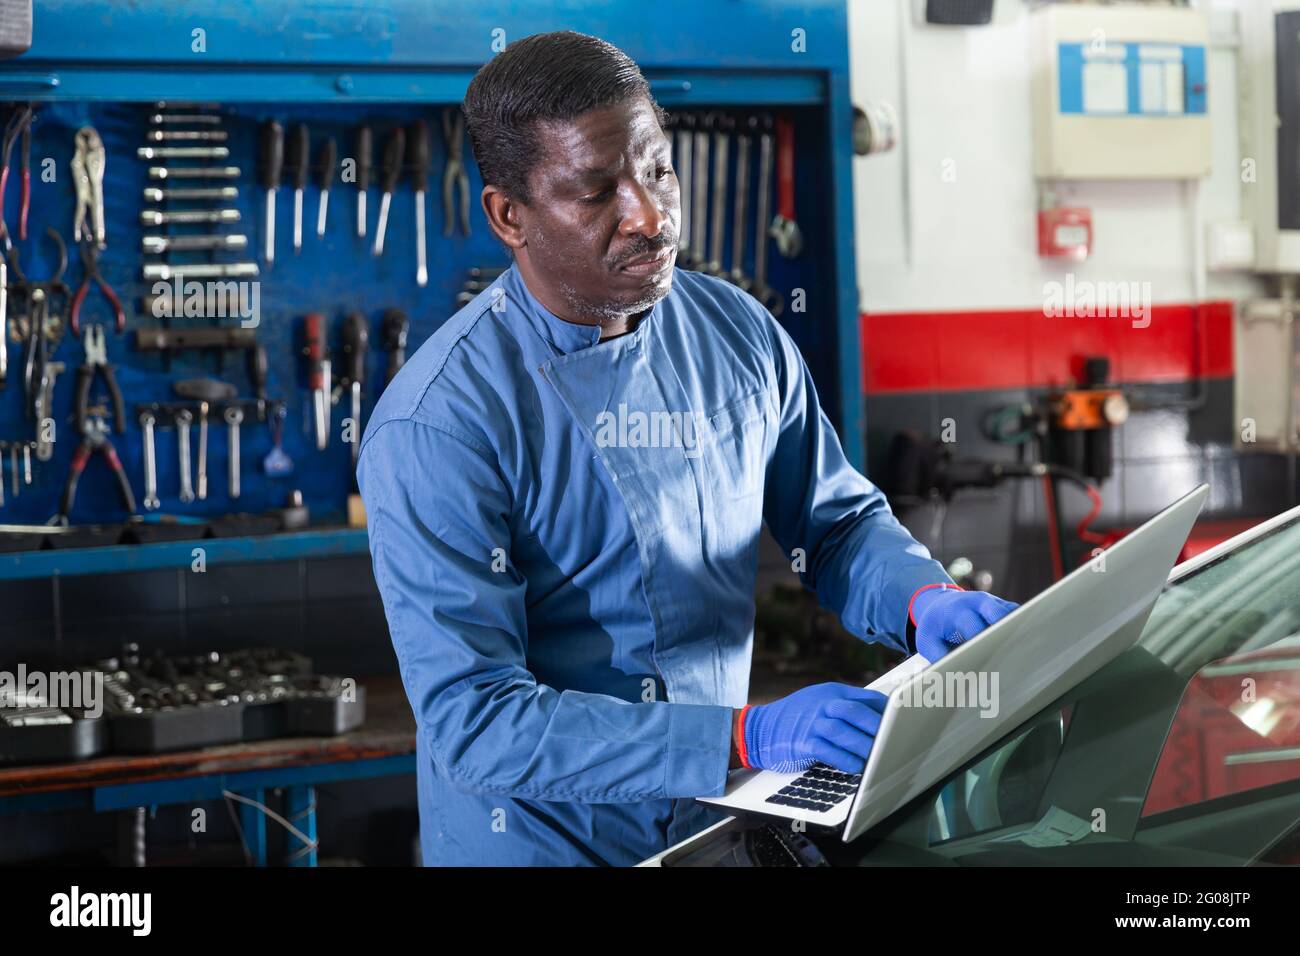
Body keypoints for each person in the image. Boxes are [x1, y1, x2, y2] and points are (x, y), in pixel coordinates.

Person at [357, 30, 1017, 866]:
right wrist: (744, 734)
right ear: (508, 216)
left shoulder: (736, 332)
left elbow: (838, 525)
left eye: (659, 169)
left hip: (710, 828)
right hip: (539, 848)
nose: (649, 213)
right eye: (597, 191)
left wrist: (925, 598)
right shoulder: (439, 426)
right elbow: (478, 722)